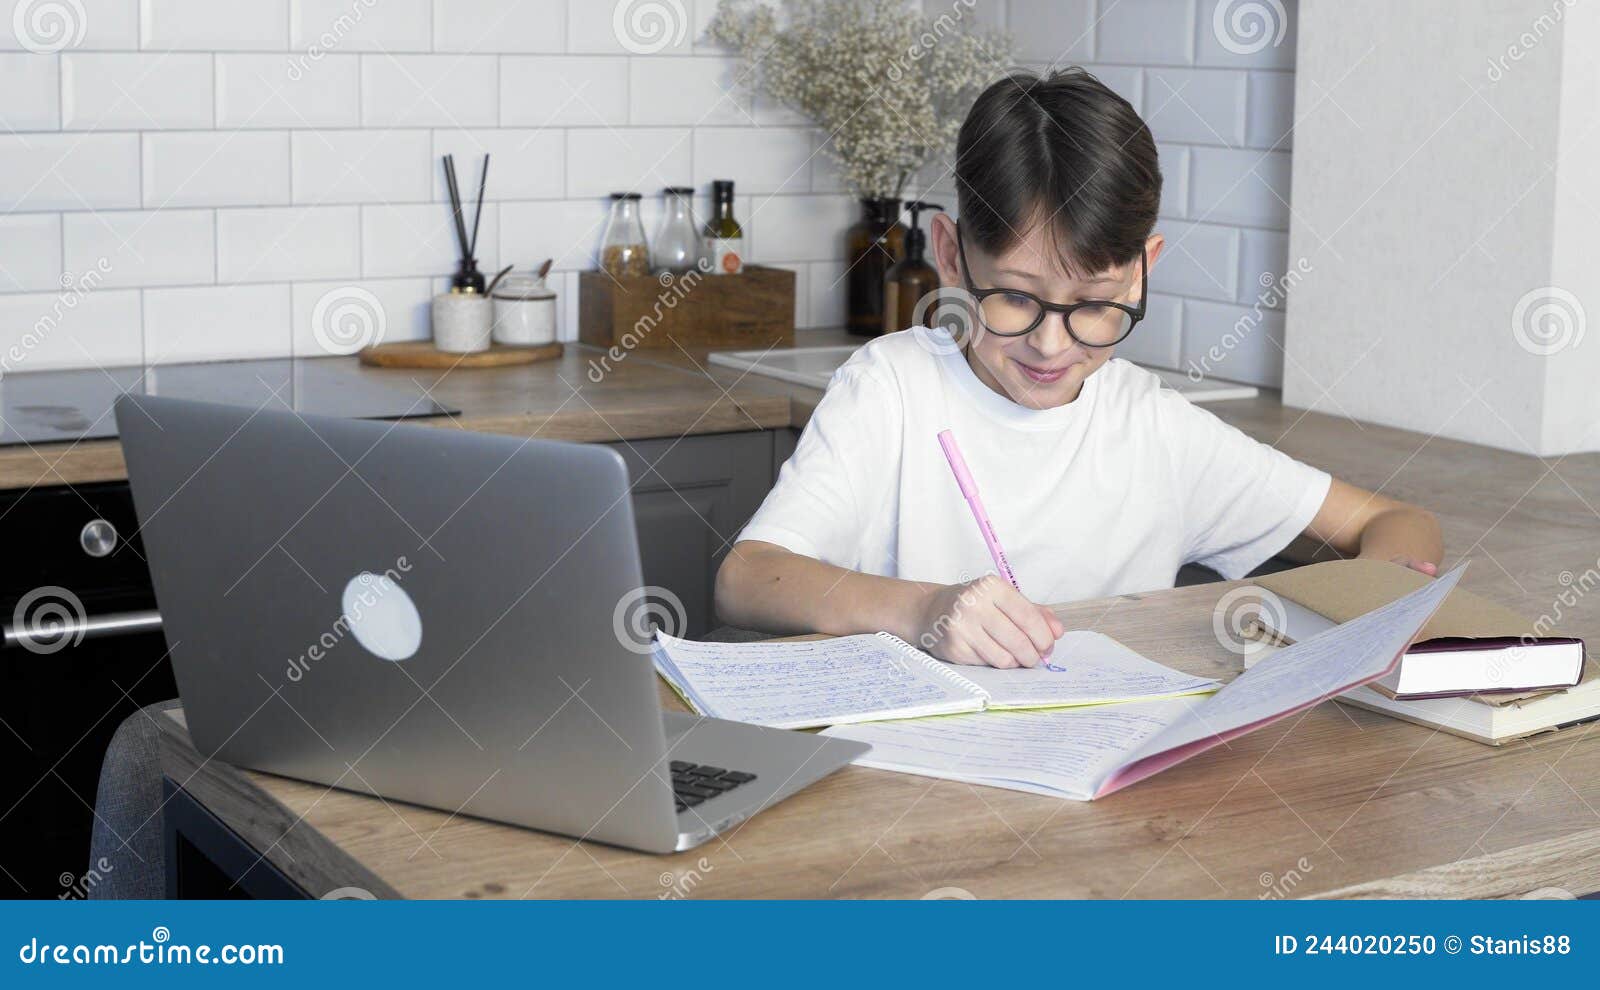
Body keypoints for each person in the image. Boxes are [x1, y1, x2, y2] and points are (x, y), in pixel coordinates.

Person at [715, 68, 1441, 669]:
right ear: (950, 254)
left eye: (1093, 305)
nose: (1051, 345)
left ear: (1141, 272)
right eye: (1015, 298)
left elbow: (1395, 521)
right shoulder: (892, 389)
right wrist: (925, 609)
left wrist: (1377, 607)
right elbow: (746, 579)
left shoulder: (1152, 429)